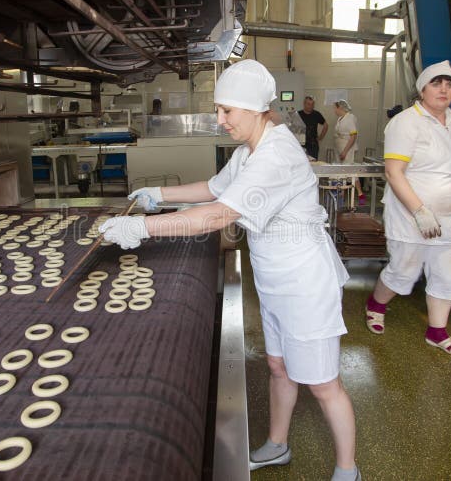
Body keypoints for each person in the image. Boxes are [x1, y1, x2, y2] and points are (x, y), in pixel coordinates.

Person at [100, 59, 360, 481]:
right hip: (275, 278)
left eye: (227, 111)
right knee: (278, 366)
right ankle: (278, 445)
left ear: (257, 109)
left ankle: (348, 470)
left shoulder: (277, 155)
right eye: (218, 110)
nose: (220, 120)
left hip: (306, 282)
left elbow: (216, 215)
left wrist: (142, 227)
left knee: (324, 384)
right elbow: (214, 188)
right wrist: (158, 193)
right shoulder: (249, 151)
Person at [364, 60, 451, 359]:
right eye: (437, 83)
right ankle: (376, 305)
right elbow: (394, 173)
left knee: (448, 274)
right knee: (403, 270)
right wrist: (420, 211)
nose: (444, 89)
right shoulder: (406, 122)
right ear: (422, 89)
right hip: (411, 216)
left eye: (450, 84)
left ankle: (437, 332)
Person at [333, 99, 366, 205]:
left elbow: (353, 136)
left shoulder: (350, 118)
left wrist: (345, 151)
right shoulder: (340, 119)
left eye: (335, 108)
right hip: (340, 147)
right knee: (342, 172)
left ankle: (360, 194)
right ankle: (342, 195)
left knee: (349, 171)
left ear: (340, 108)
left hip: (347, 148)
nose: (334, 110)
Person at [298, 95, 328, 160]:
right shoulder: (298, 114)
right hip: (301, 145)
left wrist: (320, 137)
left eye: (312, 104)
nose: (310, 106)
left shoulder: (316, 114)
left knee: (314, 165)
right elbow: (292, 128)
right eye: (308, 104)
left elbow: (326, 125)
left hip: (313, 145)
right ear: (304, 104)